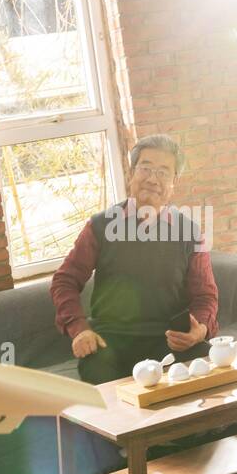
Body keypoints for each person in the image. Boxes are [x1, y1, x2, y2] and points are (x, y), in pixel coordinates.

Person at [51, 134, 219, 384]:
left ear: (174, 182)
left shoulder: (190, 232)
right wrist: (80, 330)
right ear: (131, 173)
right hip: (110, 341)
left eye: (163, 172)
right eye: (146, 168)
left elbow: (205, 295)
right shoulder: (100, 226)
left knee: (209, 366)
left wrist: (199, 330)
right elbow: (64, 281)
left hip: (170, 340)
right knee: (100, 377)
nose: (153, 179)